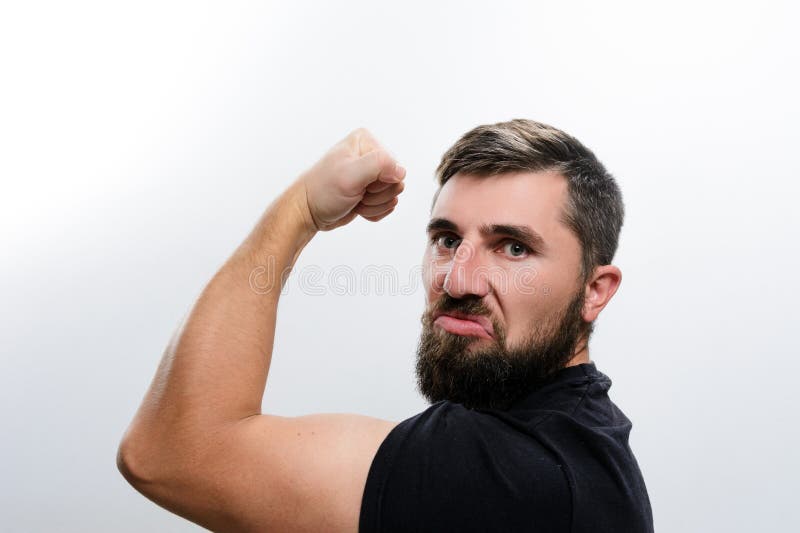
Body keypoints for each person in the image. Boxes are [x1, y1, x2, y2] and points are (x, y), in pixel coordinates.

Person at [117, 119, 654, 532]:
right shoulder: (574, 438)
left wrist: (302, 207)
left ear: (594, 291)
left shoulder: (521, 475)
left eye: (513, 248)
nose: (458, 280)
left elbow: (170, 453)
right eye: (447, 239)